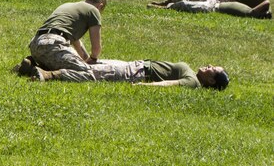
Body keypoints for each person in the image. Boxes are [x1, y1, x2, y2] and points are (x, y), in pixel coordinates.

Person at [26, 0, 107, 72]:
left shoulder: (67, 5)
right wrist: (93, 58)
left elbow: (77, 44)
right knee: (87, 71)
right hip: (54, 45)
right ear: (100, 6)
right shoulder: (93, 10)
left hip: (35, 45)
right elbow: (96, 47)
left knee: (56, 63)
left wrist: (85, 60)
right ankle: (46, 74)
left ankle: (31, 65)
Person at [31, 59, 229, 90]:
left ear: (211, 81)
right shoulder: (193, 74)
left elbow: (170, 84)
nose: (209, 66)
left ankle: (49, 75)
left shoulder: (193, 82)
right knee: (90, 64)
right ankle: (36, 65)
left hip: (136, 73)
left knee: (94, 74)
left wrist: (145, 86)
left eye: (213, 69)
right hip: (135, 65)